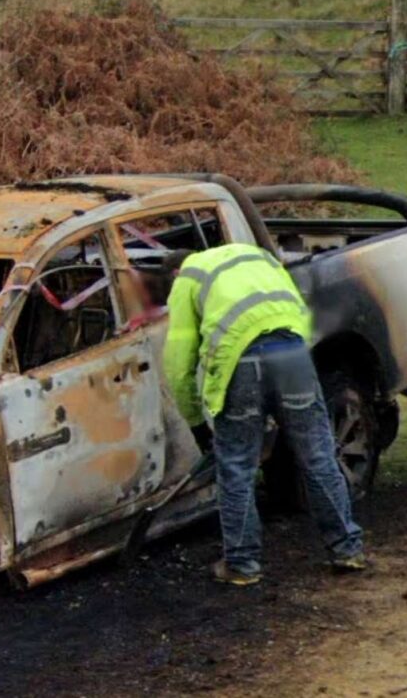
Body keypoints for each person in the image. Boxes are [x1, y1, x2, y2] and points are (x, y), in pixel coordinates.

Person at [160, 244, 366, 586]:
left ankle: (242, 564)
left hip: (241, 366)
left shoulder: (189, 277)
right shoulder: (255, 257)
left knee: (237, 465)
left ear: (174, 273)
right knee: (318, 456)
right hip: (293, 355)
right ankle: (348, 549)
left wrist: (197, 422)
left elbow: (179, 362)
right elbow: (298, 311)